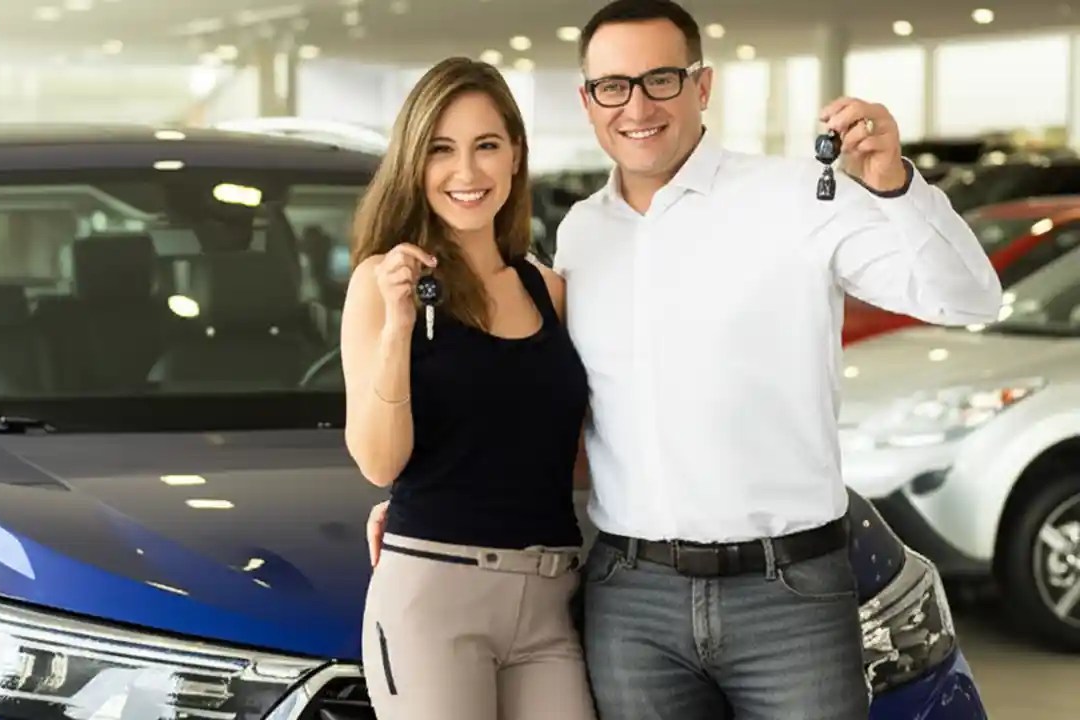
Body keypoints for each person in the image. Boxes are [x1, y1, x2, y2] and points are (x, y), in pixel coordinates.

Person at [365, 1, 1003, 718]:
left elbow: (968, 299)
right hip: (632, 599)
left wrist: (893, 185)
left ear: (703, 87)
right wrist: (437, 494)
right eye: (613, 86)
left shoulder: (795, 197)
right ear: (588, 102)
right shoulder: (581, 236)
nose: (637, 104)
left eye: (661, 79)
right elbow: (541, 398)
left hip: (788, 592)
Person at [340, 56, 597, 720]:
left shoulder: (553, 291)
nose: (467, 172)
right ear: (414, 165)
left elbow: (581, 452)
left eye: (487, 146)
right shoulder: (381, 282)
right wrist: (399, 327)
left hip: (551, 599)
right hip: (434, 595)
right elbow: (378, 462)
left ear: (516, 155)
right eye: (442, 150)